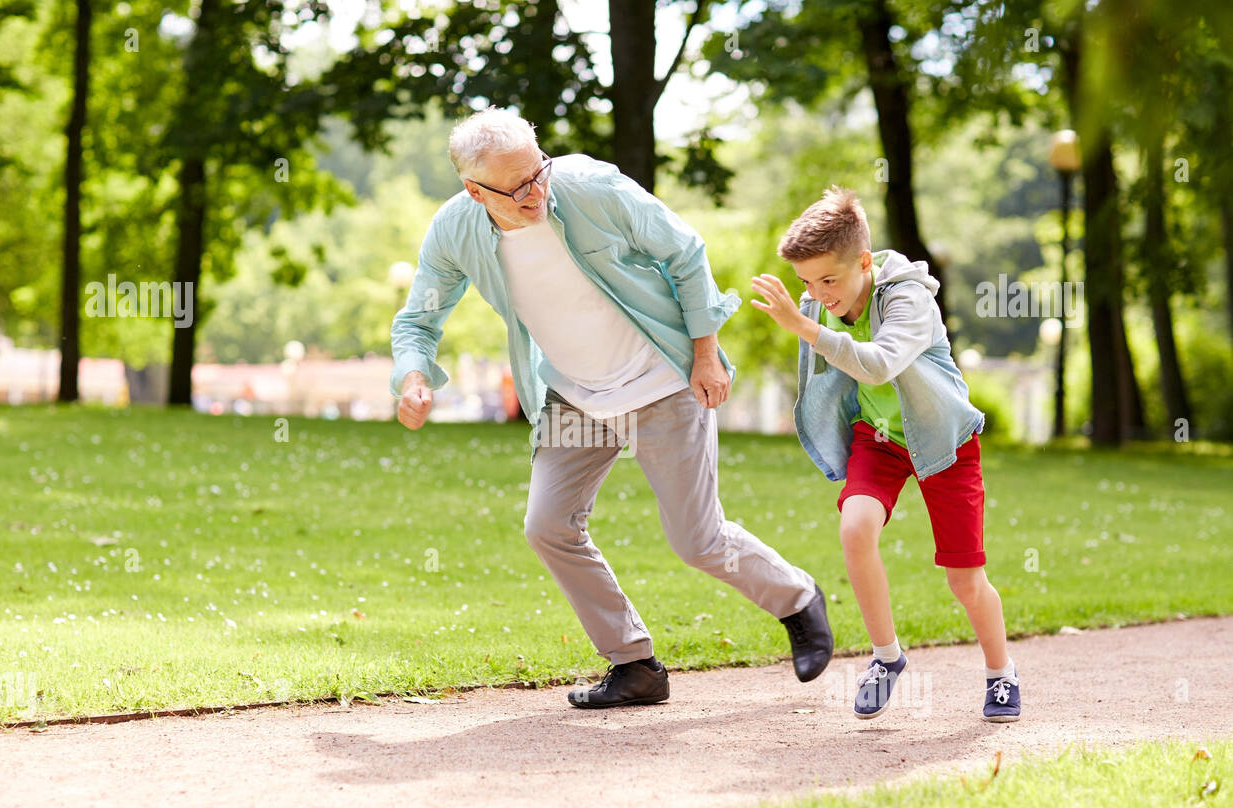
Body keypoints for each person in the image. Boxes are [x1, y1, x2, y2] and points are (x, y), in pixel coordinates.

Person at [391, 108, 835, 709]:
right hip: (575, 394)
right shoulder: (454, 230)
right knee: (548, 526)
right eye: (516, 188)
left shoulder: (591, 186)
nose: (536, 192)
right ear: (475, 191)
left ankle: (798, 599)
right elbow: (419, 318)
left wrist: (706, 353)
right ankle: (635, 666)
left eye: (538, 173)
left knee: (697, 539)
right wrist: (414, 377)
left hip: (662, 380)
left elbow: (684, 251)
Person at [749, 186, 1020, 722]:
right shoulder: (817, 303)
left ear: (865, 261)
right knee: (855, 529)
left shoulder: (907, 298)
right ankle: (886, 658)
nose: (819, 294)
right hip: (879, 438)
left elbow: (878, 365)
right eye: (807, 282)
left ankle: (1001, 673)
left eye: (830, 279)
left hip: (944, 442)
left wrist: (805, 327)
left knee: (964, 579)